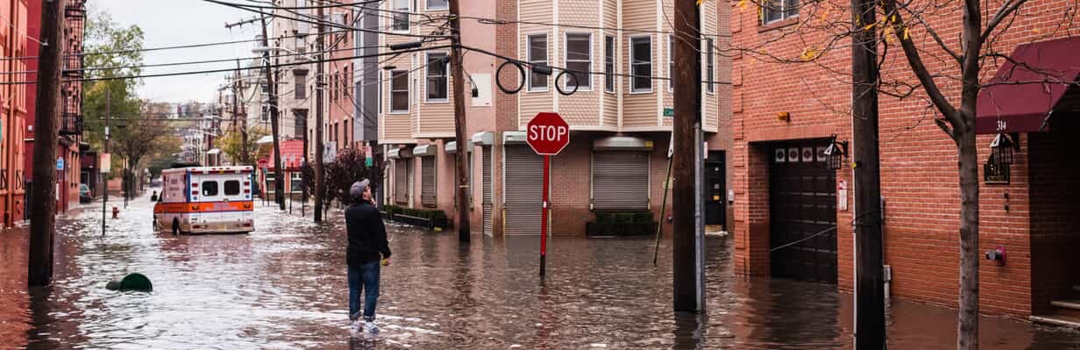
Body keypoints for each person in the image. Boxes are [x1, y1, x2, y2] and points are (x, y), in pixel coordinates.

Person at [345, 179, 391, 335]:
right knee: (371, 291)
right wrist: (386, 253)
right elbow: (380, 236)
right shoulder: (372, 212)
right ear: (364, 194)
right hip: (369, 257)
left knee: (354, 290)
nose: (370, 190)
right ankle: (369, 322)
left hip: (352, 257)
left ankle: (355, 322)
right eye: (368, 188)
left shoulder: (348, 211)